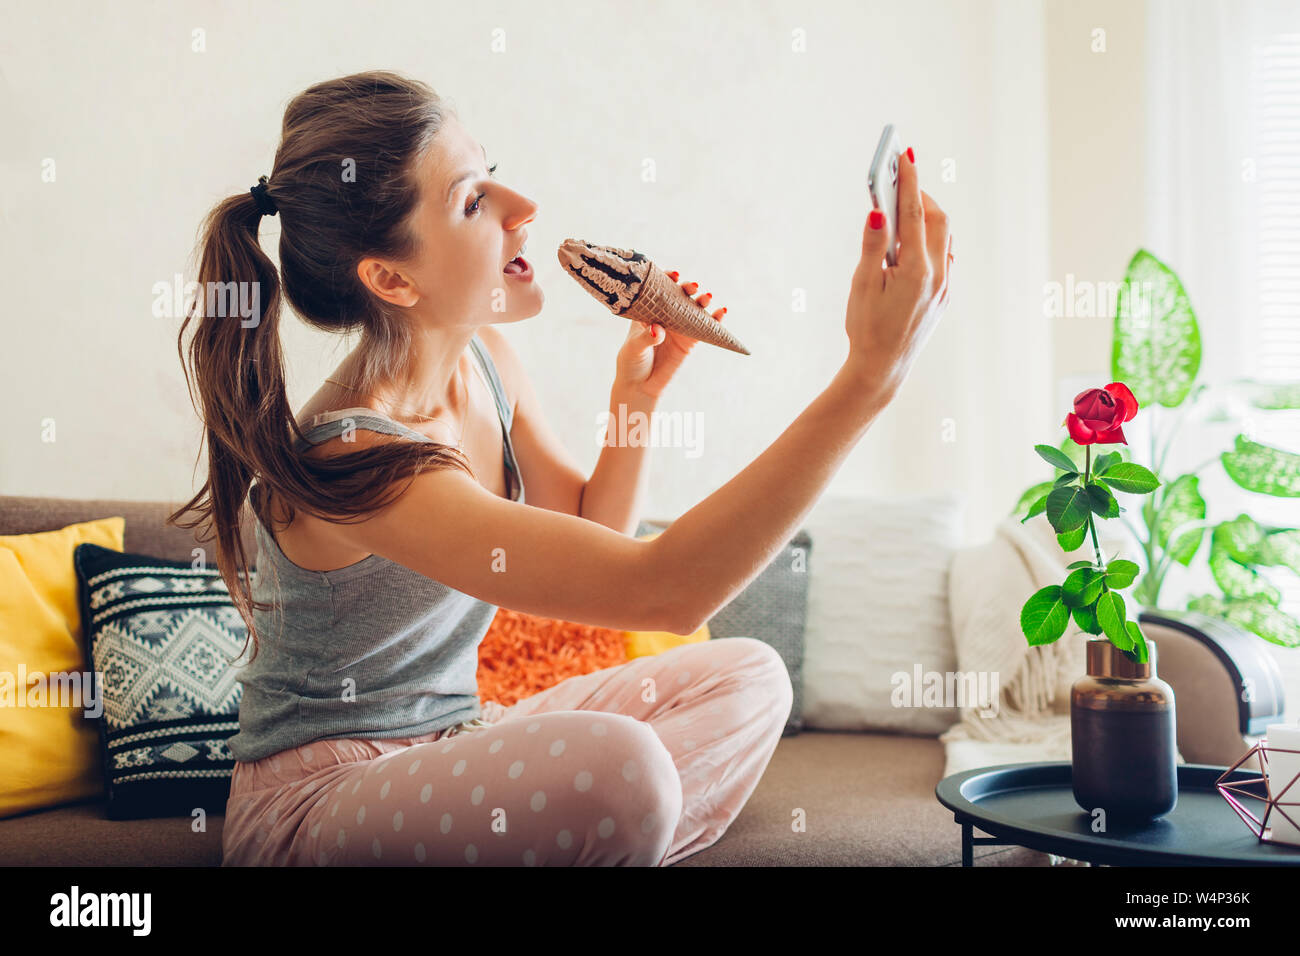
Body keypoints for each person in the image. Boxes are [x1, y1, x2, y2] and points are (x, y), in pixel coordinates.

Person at [170, 70, 952, 867]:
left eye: (494, 175)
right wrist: (867, 381)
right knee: (626, 773)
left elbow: (593, 534)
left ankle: (599, 842)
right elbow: (666, 591)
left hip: (458, 738)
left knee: (748, 678)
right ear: (391, 278)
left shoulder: (488, 361)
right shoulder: (361, 457)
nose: (524, 208)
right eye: (473, 201)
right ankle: (608, 832)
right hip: (322, 801)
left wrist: (635, 401)